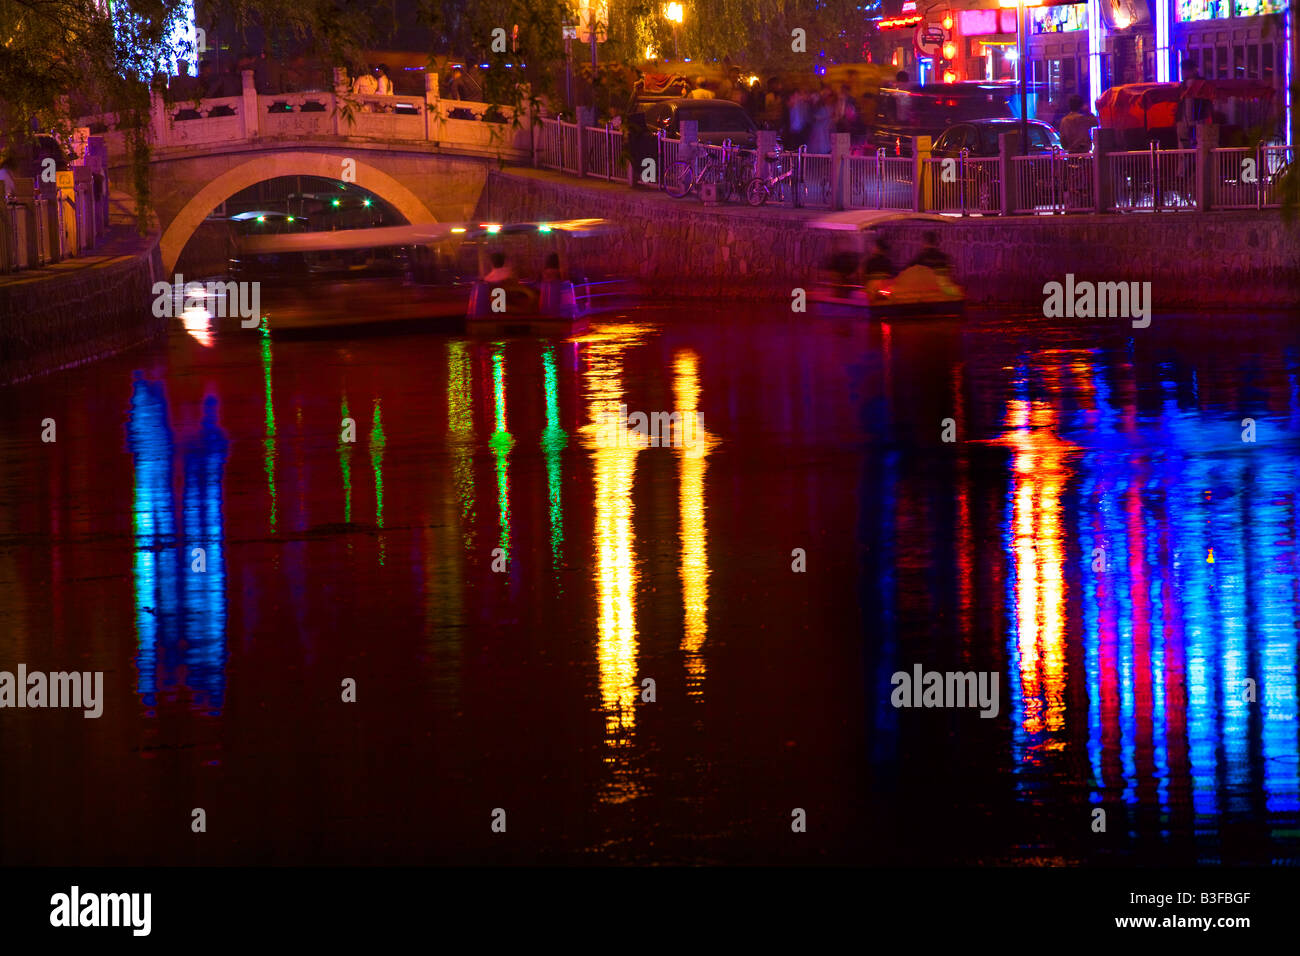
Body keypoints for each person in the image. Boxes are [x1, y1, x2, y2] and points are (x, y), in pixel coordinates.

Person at [1175, 57, 1211, 149]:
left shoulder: (1200, 84)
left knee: (1194, 144)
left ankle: (1190, 161)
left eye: (1184, 70)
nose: (1183, 73)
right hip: (1188, 120)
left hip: (1195, 120)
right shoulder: (1183, 86)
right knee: (1191, 144)